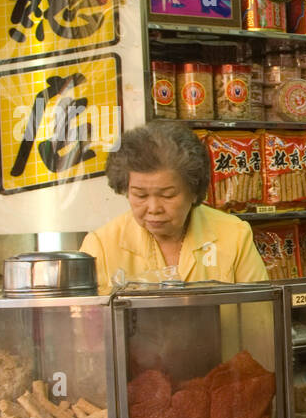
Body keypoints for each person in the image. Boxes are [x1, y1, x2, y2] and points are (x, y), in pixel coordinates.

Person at [80, 121, 267, 294]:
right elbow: (89, 324)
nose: (153, 208)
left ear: (194, 190)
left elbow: (260, 317)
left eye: (167, 195)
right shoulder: (101, 246)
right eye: (140, 195)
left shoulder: (234, 235)